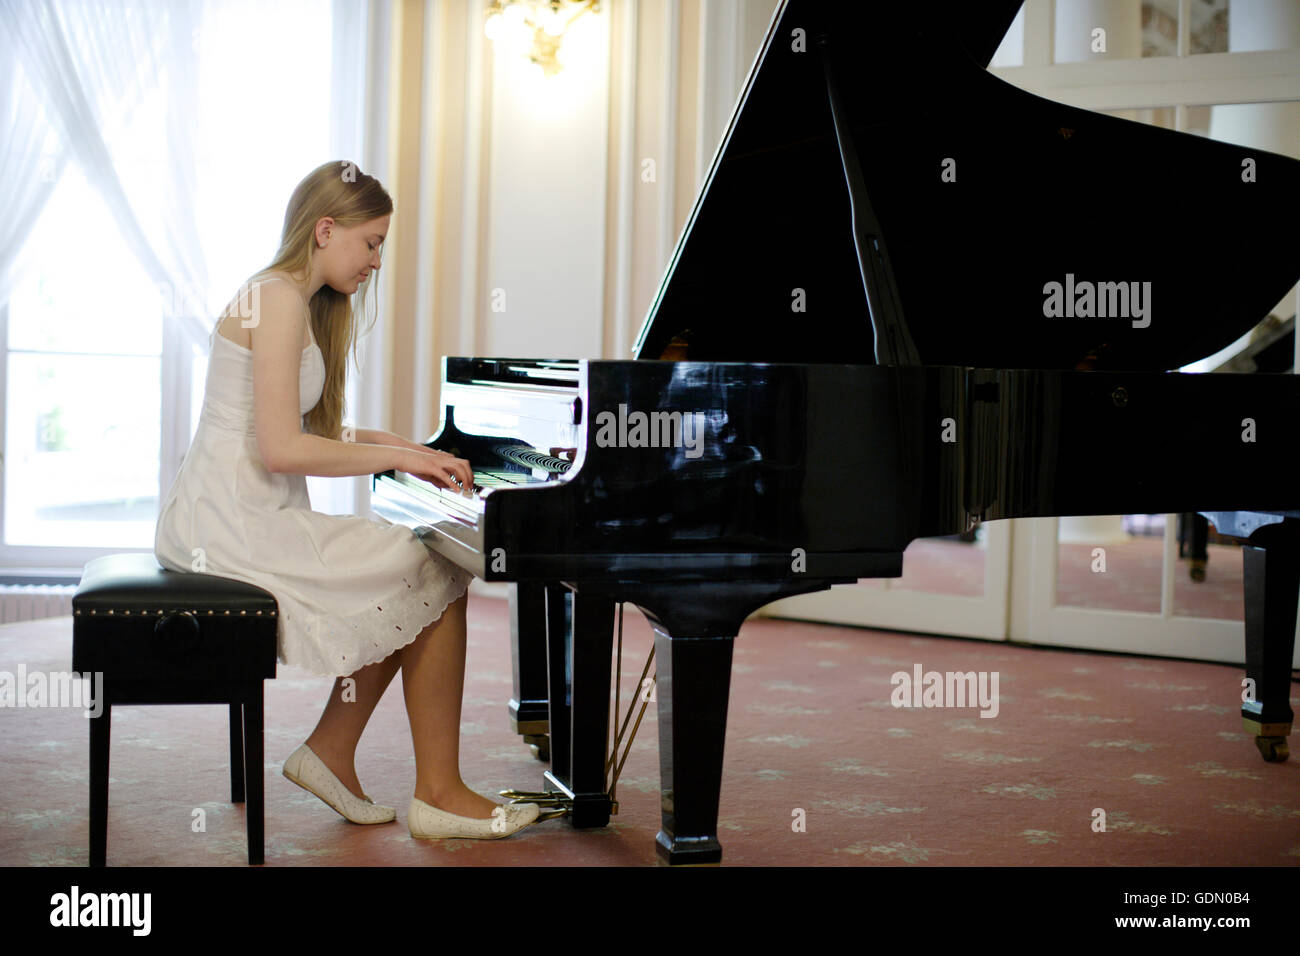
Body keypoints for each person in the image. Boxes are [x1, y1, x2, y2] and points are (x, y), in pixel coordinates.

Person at [154, 160, 538, 841]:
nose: (378, 261)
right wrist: (397, 457)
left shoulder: (290, 301)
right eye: (372, 243)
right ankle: (437, 792)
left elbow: (317, 433)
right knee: (429, 569)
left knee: (414, 573)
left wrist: (415, 452)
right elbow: (282, 450)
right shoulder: (273, 297)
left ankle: (332, 753)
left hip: (242, 514)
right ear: (326, 230)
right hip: (228, 524)